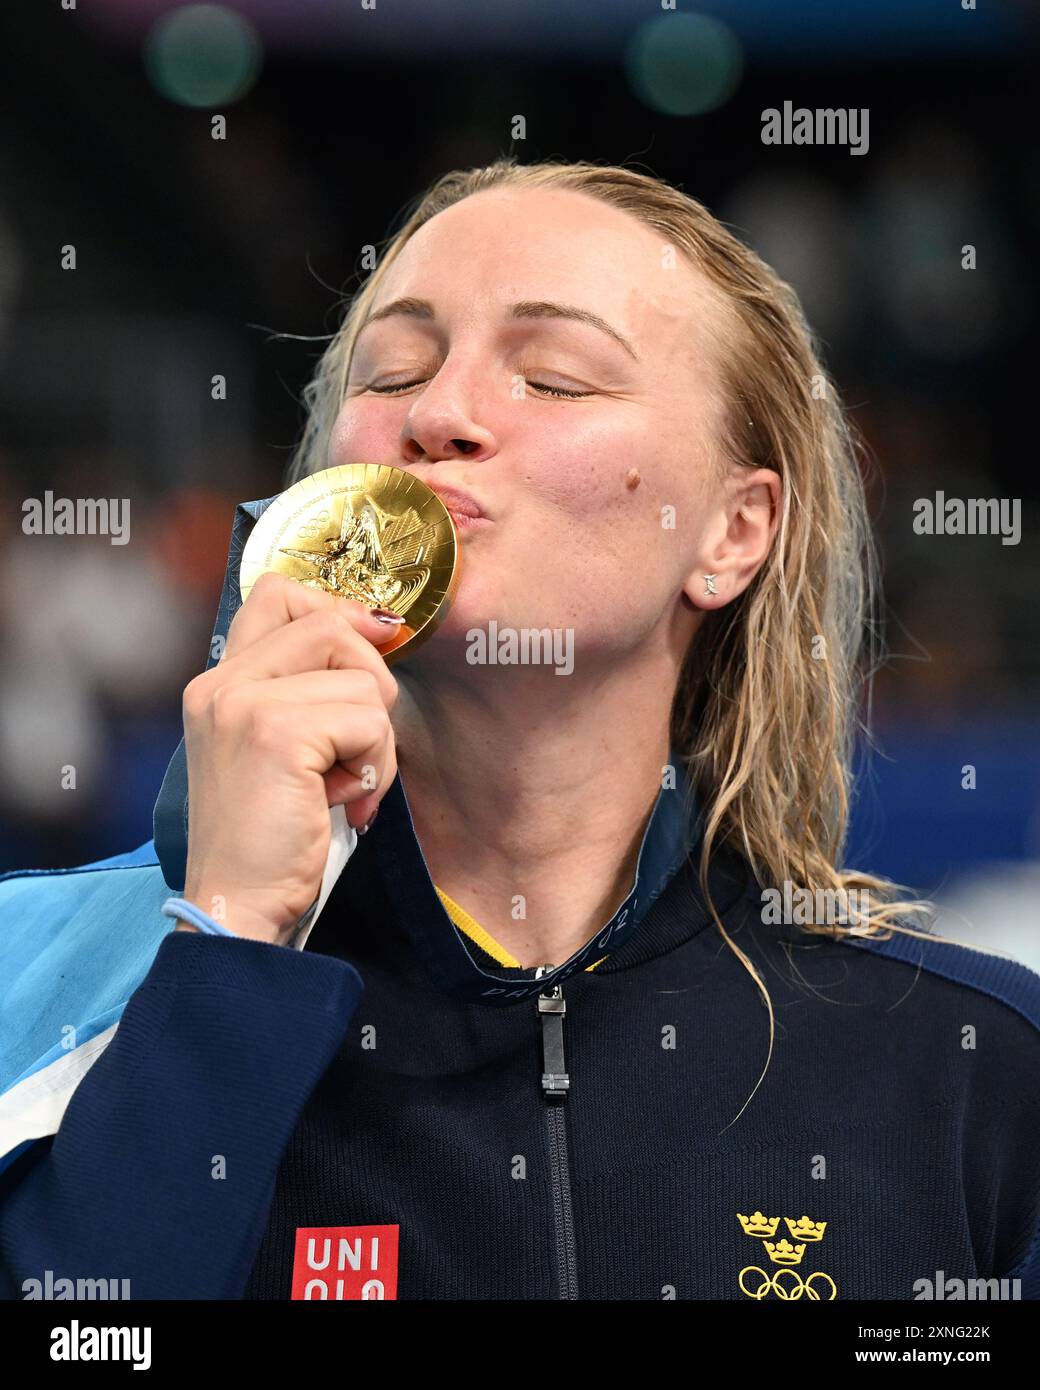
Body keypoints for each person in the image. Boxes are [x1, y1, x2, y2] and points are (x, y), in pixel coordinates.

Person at [1, 158, 1037, 1302]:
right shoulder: (31, 976)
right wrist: (230, 946)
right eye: (392, 369)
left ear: (732, 534)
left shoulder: (971, 1071)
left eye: (552, 378)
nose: (437, 415)